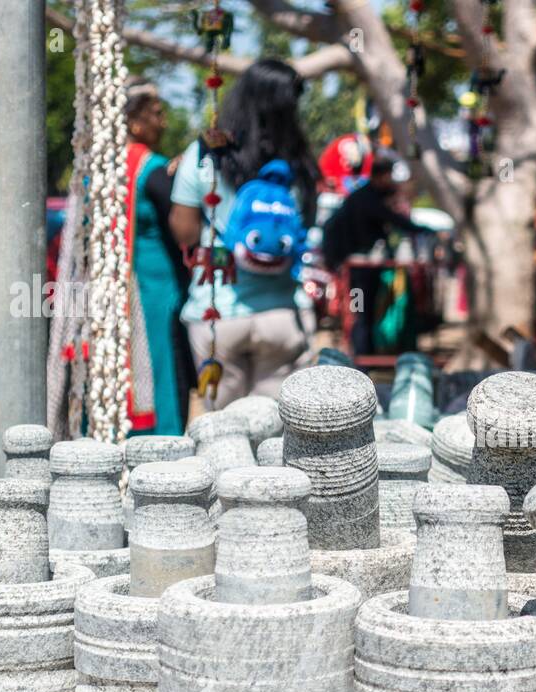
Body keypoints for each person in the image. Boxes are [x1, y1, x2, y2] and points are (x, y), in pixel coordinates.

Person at [169, 59, 319, 409]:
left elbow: (185, 231)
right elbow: (304, 227)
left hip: (218, 314)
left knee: (221, 434)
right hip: (283, 316)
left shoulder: (207, 153)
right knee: (273, 434)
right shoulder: (298, 163)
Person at [124, 79, 190, 435]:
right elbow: (186, 228)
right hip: (154, 290)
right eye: (157, 114)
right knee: (161, 363)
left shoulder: (100, 169)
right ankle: (164, 440)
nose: (163, 123)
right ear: (135, 122)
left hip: (113, 288)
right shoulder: (154, 171)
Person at [321, 155, 432, 354]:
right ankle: (361, 357)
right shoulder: (366, 199)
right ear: (380, 177)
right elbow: (394, 220)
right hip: (357, 271)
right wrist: (424, 229)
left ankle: (366, 354)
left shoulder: (366, 197)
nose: (391, 182)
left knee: (366, 311)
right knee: (359, 311)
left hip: (363, 269)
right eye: (389, 177)